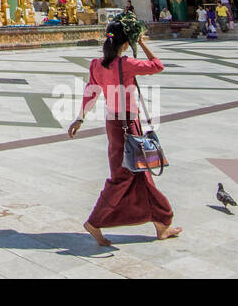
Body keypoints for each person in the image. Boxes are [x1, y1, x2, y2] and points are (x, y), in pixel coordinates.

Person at [68, 13, 180, 246]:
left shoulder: (97, 65)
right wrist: (142, 43)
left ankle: (162, 223)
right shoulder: (126, 64)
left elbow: (91, 92)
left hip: (114, 124)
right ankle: (95, 221)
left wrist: (80, 119)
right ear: (126, 42)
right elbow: (158, 66)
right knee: (124, 175)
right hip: (129, 124)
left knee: (142, 172)